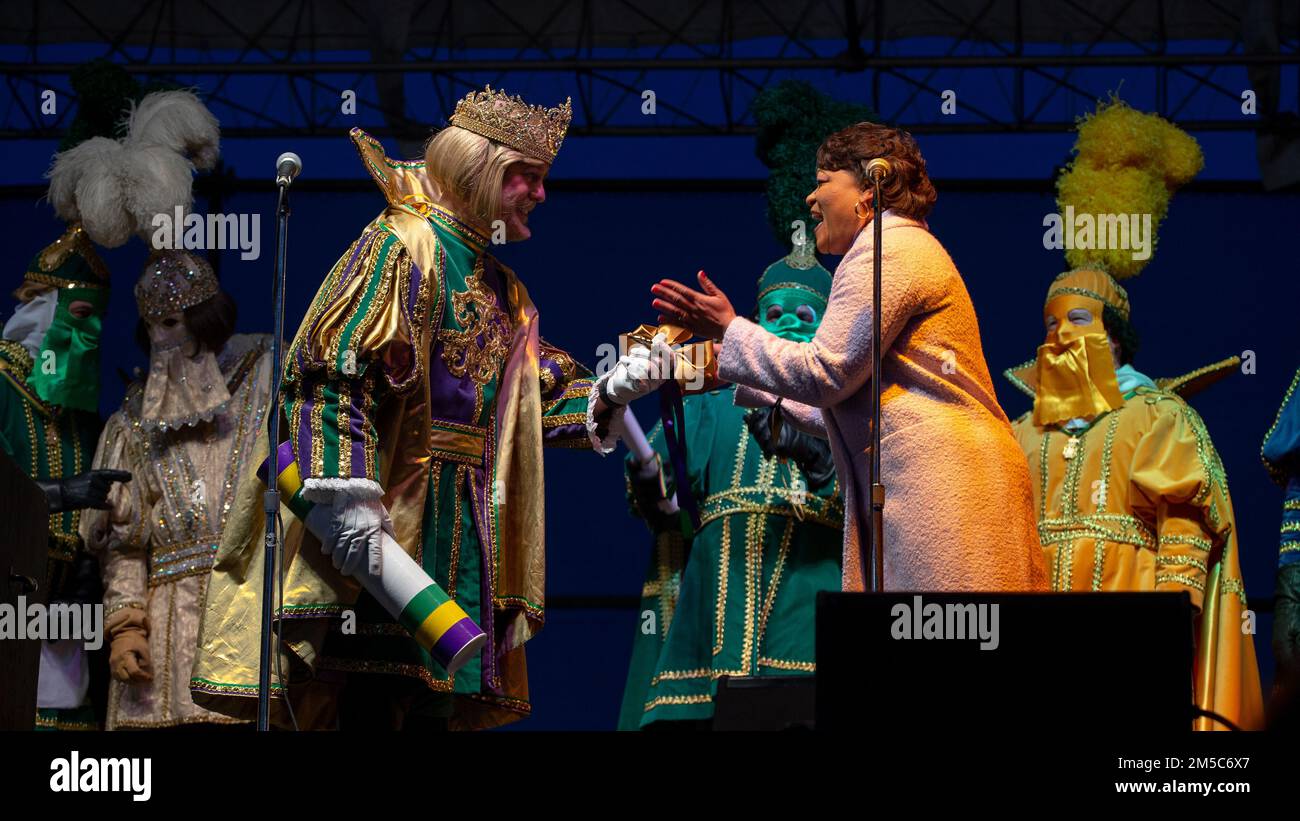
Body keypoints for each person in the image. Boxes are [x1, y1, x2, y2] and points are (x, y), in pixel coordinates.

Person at [192, 85, 656, 730]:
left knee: (430, 703)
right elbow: (334, 368)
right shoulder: (403, 244)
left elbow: (524, 407)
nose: (541, 195)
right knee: (364, 694)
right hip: (392, 511)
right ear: (481, 168)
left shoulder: (504, 287)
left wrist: (609, 392)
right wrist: (347, 496)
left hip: (467, 524)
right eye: (528, 176)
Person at [645, 122, 1046, 592]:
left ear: (869, 191)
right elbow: (846, 404)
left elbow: (825, 373)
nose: (810, 200)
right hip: (947, 482)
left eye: (821, 183)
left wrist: (731, 329)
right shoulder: (903, 246)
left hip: (946, 488)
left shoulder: (886, 248)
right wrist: (725, 373)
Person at [1004, 99, 1263, 730]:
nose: (1060, 334)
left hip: (1130, 609)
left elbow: (1187, 522)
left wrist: (1169, 616)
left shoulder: (1155, 415)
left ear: (1115, 337)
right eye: (1050, 322)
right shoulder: (1019, 429)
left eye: (1079, 319)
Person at [619, 241, 843, 729]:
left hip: (810, 589)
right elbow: (666, 506)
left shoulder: (847, 417)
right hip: (718, 595)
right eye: (773, 312)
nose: (787, 322)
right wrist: (648, 476)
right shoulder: (712, 405)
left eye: (805, 314)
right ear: (756, 321)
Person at [80, 250, 270, 729]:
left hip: (246, 613)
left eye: (176, 322)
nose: (167, 339)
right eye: (156, 327)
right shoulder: (133, 423)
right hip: (163, 641)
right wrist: (125, 627)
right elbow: (123, 543)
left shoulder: (267, 382)